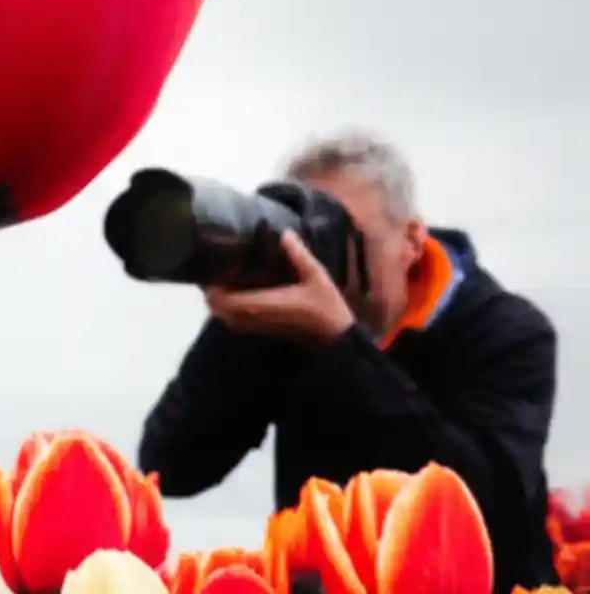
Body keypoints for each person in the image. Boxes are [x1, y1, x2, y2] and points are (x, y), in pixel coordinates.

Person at [136, 131, 559, 590]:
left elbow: (484, 501)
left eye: (348, 237)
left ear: (411, 240)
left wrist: (338, 343)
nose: (328, 263)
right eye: (314, 237)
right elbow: (172, 467)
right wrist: (240, 328)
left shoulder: (508, 332)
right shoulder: (286, 323)